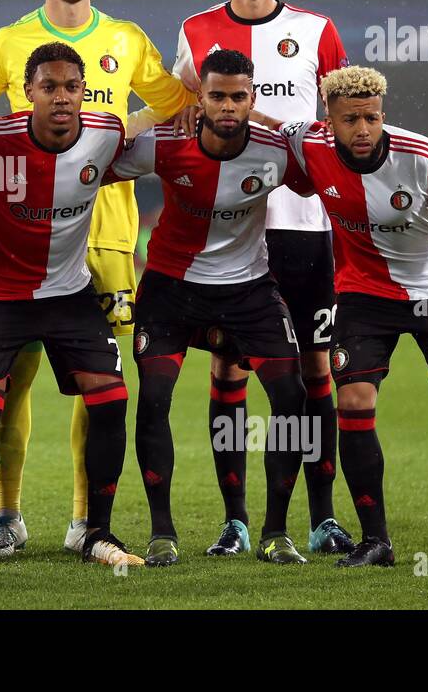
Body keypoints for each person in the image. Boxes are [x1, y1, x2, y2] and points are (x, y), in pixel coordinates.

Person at [0, 0, 195, 557]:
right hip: (19, 235)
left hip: (108, 230)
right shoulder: (9, 43)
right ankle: (7, 515)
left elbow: (176, 101)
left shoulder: (125, 38)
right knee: (12, 379)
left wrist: (120, 127)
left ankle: (82, 520)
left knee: (99, 379)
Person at [159, 0, 354, 557]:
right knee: (228, 367)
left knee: (315, 368)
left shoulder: (316, 31)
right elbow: (187, 117)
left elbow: (340, 128)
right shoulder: (194, 32)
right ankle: (236, 520)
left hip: (304, 228)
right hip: (237, 234)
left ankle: (321, 516)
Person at [280, 66, 428, 569]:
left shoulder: (423, 155)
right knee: (354, 399)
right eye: (350, 119)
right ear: (327, 120)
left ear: (384, 115)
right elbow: (267, 126)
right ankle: (375, 541)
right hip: (362, 292)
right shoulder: (308, 143)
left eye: (372, 118)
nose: (362, 129)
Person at [113, 49, 316, 565]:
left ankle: (274, 532)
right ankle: (163, 533)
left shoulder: (276, 151)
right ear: (199, 98)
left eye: (238, 96)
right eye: (217, 96)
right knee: (154, 398)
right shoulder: (165, 142)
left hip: (248, 289)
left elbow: (336, 182)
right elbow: (91, 162)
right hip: (170, 289)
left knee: (292, 398)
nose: (228, 106)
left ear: (253, 99)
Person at [0, 42, 142, 568]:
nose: (61, 97)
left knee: (110, 399)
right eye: (48, 87)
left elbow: (165, 151)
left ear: (84, 92)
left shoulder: (105, 134)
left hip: (69, 295)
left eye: (70, 87)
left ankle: (96, 533)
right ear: (28, 91)